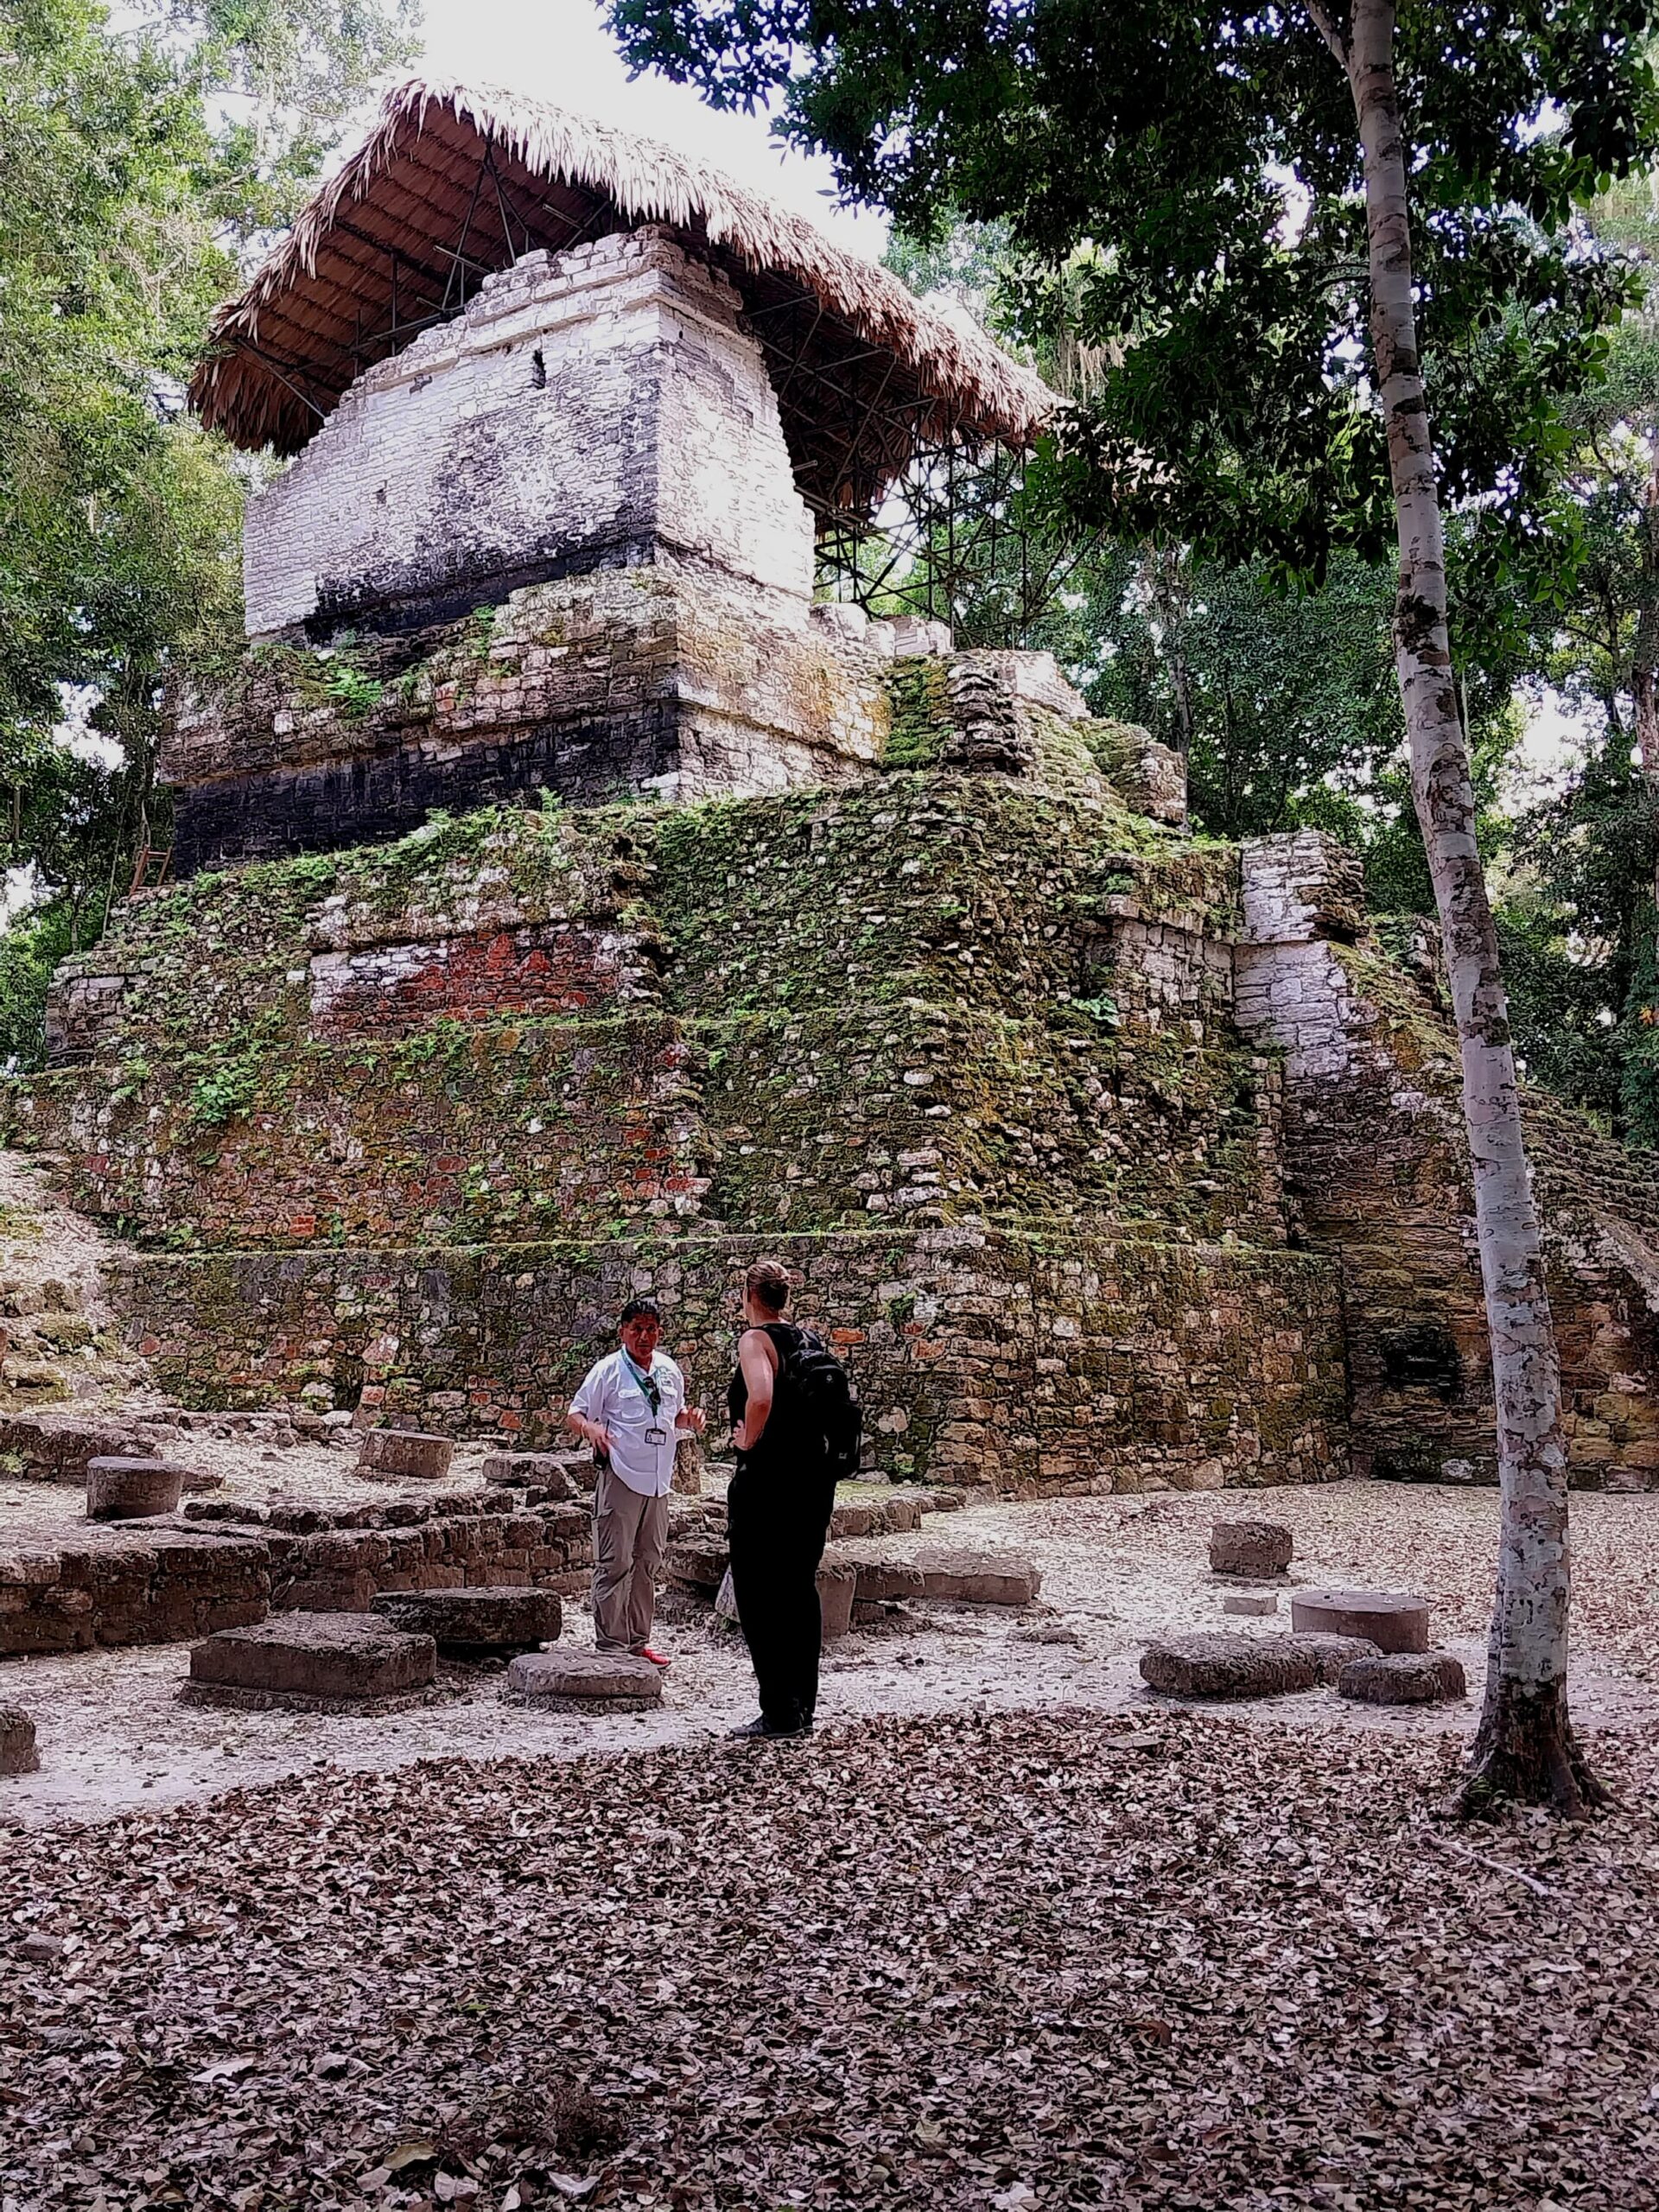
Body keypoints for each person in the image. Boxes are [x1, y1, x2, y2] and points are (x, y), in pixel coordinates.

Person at [725, 1257, 851, 1738]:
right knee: (799, 1589)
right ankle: (803, 1703)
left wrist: (748, 1440)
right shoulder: (808, 1340)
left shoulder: (755, 1340)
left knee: (759, 1593)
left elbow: (759, 1398)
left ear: (749, 1297)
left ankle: (778, 1708)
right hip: (812, 1482)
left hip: (768, 1484)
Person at [566, 1296, 706, 1664]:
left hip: (659, 1479)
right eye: (636, 1329)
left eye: (650, 1329)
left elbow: (671, 1416)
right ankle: (611, 1645)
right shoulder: (608, 1370)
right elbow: (575, 1413)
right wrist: (591, 1428)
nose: (644, 1336)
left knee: (648, 1562)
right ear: (623, 1332)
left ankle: (637, 1641)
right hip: (622, 1474)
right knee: (614, 1562)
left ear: (659, 1332)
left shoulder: (669, 1369)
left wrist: (687, 1420)